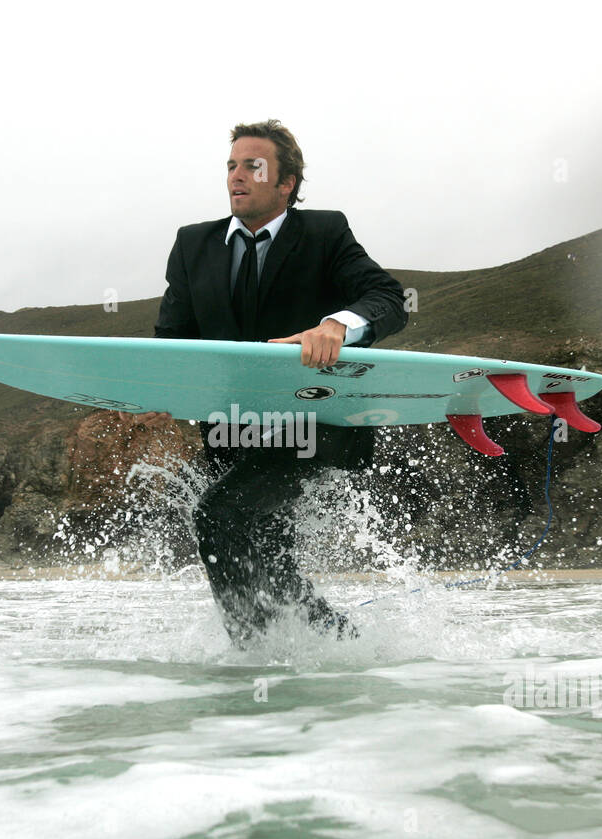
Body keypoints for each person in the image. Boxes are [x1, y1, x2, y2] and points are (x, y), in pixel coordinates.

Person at [125, 119, 407, 645]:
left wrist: (337, 326)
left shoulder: (324, 233)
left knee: (218, 514)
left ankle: (250, 654)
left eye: (252, 166)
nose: (237, 176)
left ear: (287, 184)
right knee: (268, 553)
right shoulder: (193, 244)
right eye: (231, 165)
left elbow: (387, 298)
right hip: (233, 430)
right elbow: (175, 338)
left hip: (313, 424)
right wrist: (158, 392)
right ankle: (342, 644)